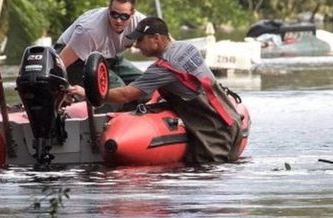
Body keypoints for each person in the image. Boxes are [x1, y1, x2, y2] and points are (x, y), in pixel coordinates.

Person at [68, 17, 243, 164]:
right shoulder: (187, 48)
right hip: (232, 121)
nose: (136, 45)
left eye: (140, 40)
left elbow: (126, 94)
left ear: (157, 38)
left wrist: (92, 93)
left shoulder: (162, 68)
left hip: (215, 134)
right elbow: (189, 84)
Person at [54, 0, 146, 88]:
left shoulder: (141, 24)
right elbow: (60, 64)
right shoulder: (90, 30)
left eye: (124, 16)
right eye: (114, 14)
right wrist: (63, 88)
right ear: (109, 9)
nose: (118, 21)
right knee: (118, 88)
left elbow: (160, 45)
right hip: (75, 59)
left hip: (109, 57)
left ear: (133, 14)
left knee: (144, 83)